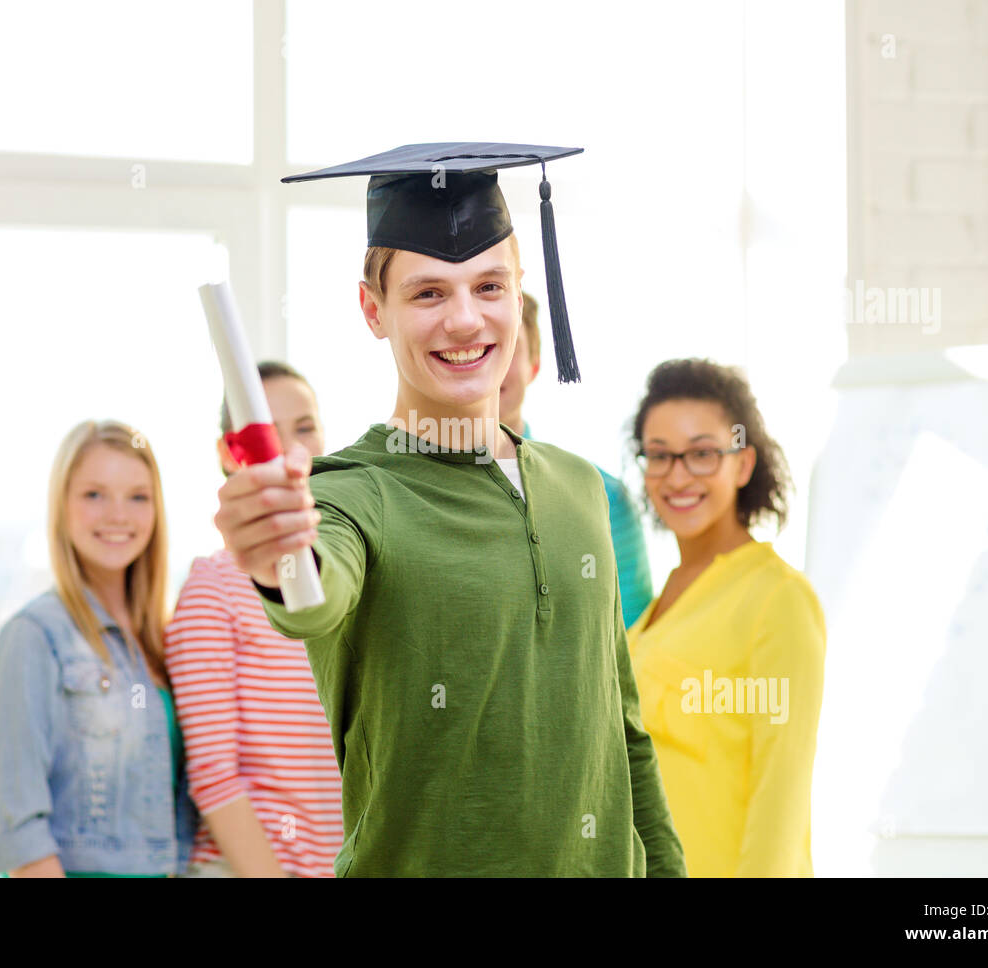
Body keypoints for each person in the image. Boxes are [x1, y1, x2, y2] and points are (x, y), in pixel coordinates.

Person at [215, 142, 686, 877]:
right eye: (429, 293)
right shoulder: (354, 493)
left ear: (521, 292)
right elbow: (311, 589)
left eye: (489, 287)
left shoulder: (578, 488)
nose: (466, 320)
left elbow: (622, 732)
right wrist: (279, 551)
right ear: (374, 310)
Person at [625, 359, 825, 876]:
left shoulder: (777, 600)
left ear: (742, 463)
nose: (678, 475)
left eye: (703, 454)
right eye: (660, 456)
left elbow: (780, 798)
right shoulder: (654, 608)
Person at [0, 420, 196, 876]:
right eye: (94, 494)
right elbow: (14, 830)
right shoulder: (33, 636)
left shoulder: (163, 641)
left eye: (137, 496)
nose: (118, 514)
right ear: (62, 506)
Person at [164, 362, 343, 878]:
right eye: (265, 431)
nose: (291, 449)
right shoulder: (212, 588)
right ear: (229, 453)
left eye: (305, 427)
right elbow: (215, 779)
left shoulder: (344, 576)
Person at [499, 290, 654, 627]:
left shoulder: (602, 496)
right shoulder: (383, 489)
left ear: (534, 367)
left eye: (506, 346)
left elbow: (624, 642)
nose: (482, 360)